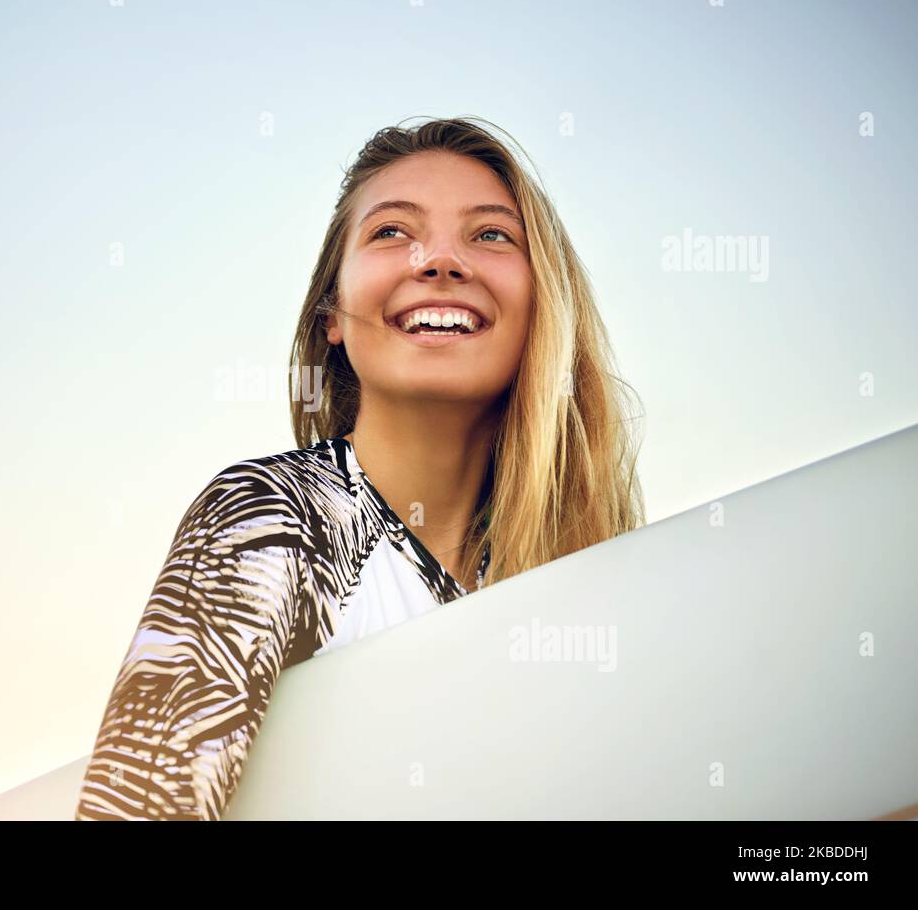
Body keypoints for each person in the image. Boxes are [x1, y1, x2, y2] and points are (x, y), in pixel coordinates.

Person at [73, 115, 644, 820]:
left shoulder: (585, 582)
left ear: (543, 304)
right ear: (332, 316)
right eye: (392, 232)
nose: (439, 260)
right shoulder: (275, 518)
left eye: (491, 233)